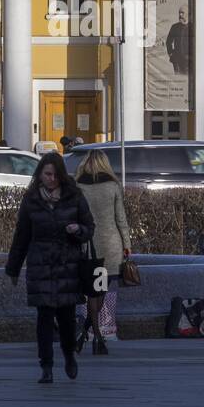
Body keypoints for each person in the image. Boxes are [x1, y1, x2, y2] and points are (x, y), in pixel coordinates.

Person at [6, 152, 96, 383]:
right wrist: (13, 268)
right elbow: (22, 236)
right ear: (40, 174)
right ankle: (46, 366)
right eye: (47, 174)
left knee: (67, 319)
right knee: (44, 319)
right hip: (41, 265)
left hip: (68, 265)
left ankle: (69, 355)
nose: (51, 179)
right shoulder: (32, 199)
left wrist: (78, 230)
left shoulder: (74, 196)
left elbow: (90, 228)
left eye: (55, 175)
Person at [74, 149, 131, 353]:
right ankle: (102, 332)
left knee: (91, 291)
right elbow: (121, 220)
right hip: (111, 246)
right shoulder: (113, 186)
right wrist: (127, 245)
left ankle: (89, 332)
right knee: (105, 290)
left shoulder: (78, 187)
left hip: (89, 246)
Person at [165, 7, 190, 75]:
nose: (180, 15)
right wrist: (171, 54)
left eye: (182, 13)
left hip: (190, 62)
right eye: (179, 13)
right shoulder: (174, 27)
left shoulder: (193, 26)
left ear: (188, 13)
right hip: (177, 61)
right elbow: (168, 42)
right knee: (179, 80)